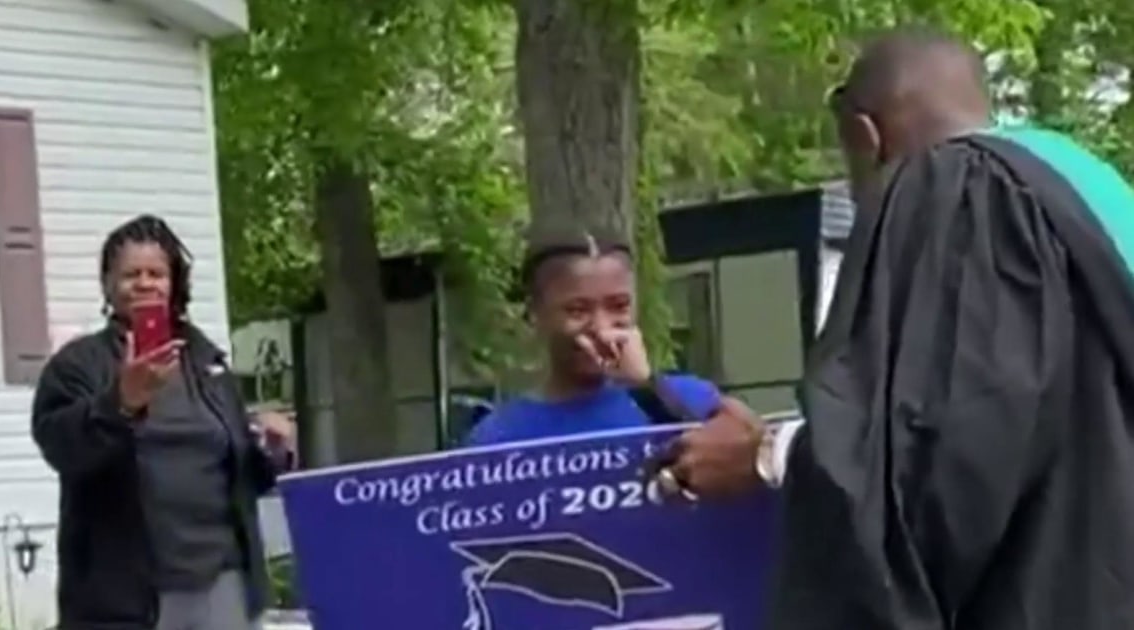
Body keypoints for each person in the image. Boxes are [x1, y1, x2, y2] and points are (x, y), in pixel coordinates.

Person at [652, 28, 1134, 629]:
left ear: (865, 136)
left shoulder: (959, 190)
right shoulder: (1089, 190)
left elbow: (938, 460)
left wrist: (769, 457)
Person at [31, 215, 296, 630]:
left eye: (156, 273)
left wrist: (275, 451)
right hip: (127, 597)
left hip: (222, 582)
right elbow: (62, 448)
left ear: (174, 283)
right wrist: (121, 401)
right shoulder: (78, 366)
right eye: (130, 274)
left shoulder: (205, 361)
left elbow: (242, 473)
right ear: (107, 284)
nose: (144, 284)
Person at [465, 225, 723, 446]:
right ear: (535, 314)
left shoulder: (696, 399)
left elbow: (731, 473)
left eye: (619, 306)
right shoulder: (497, 436)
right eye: (577, 310)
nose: (602, 329)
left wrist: (648, 392)